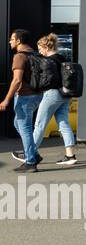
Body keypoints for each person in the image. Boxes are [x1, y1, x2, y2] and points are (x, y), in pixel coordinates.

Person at [31, 34, 77, 166]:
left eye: (40, 49)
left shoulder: (48, 61)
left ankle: (30, 153)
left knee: (39, 125)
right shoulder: (63, 58)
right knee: (64, 124)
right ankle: (70, 155)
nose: (40, 52)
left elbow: (48, 81)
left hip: (52, 94)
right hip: (65, 95)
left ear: (46, 47)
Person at [1, 29, 41, 172]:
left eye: (12, 39)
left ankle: (30, 162)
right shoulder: (36, 54)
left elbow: (17, 80)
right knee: (18, 124)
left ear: (18, 41)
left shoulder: (19, 56)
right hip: (37, 95)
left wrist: (6, 100)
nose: (10, 41)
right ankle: (34, 154)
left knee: (25, 129)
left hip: (24, 97)